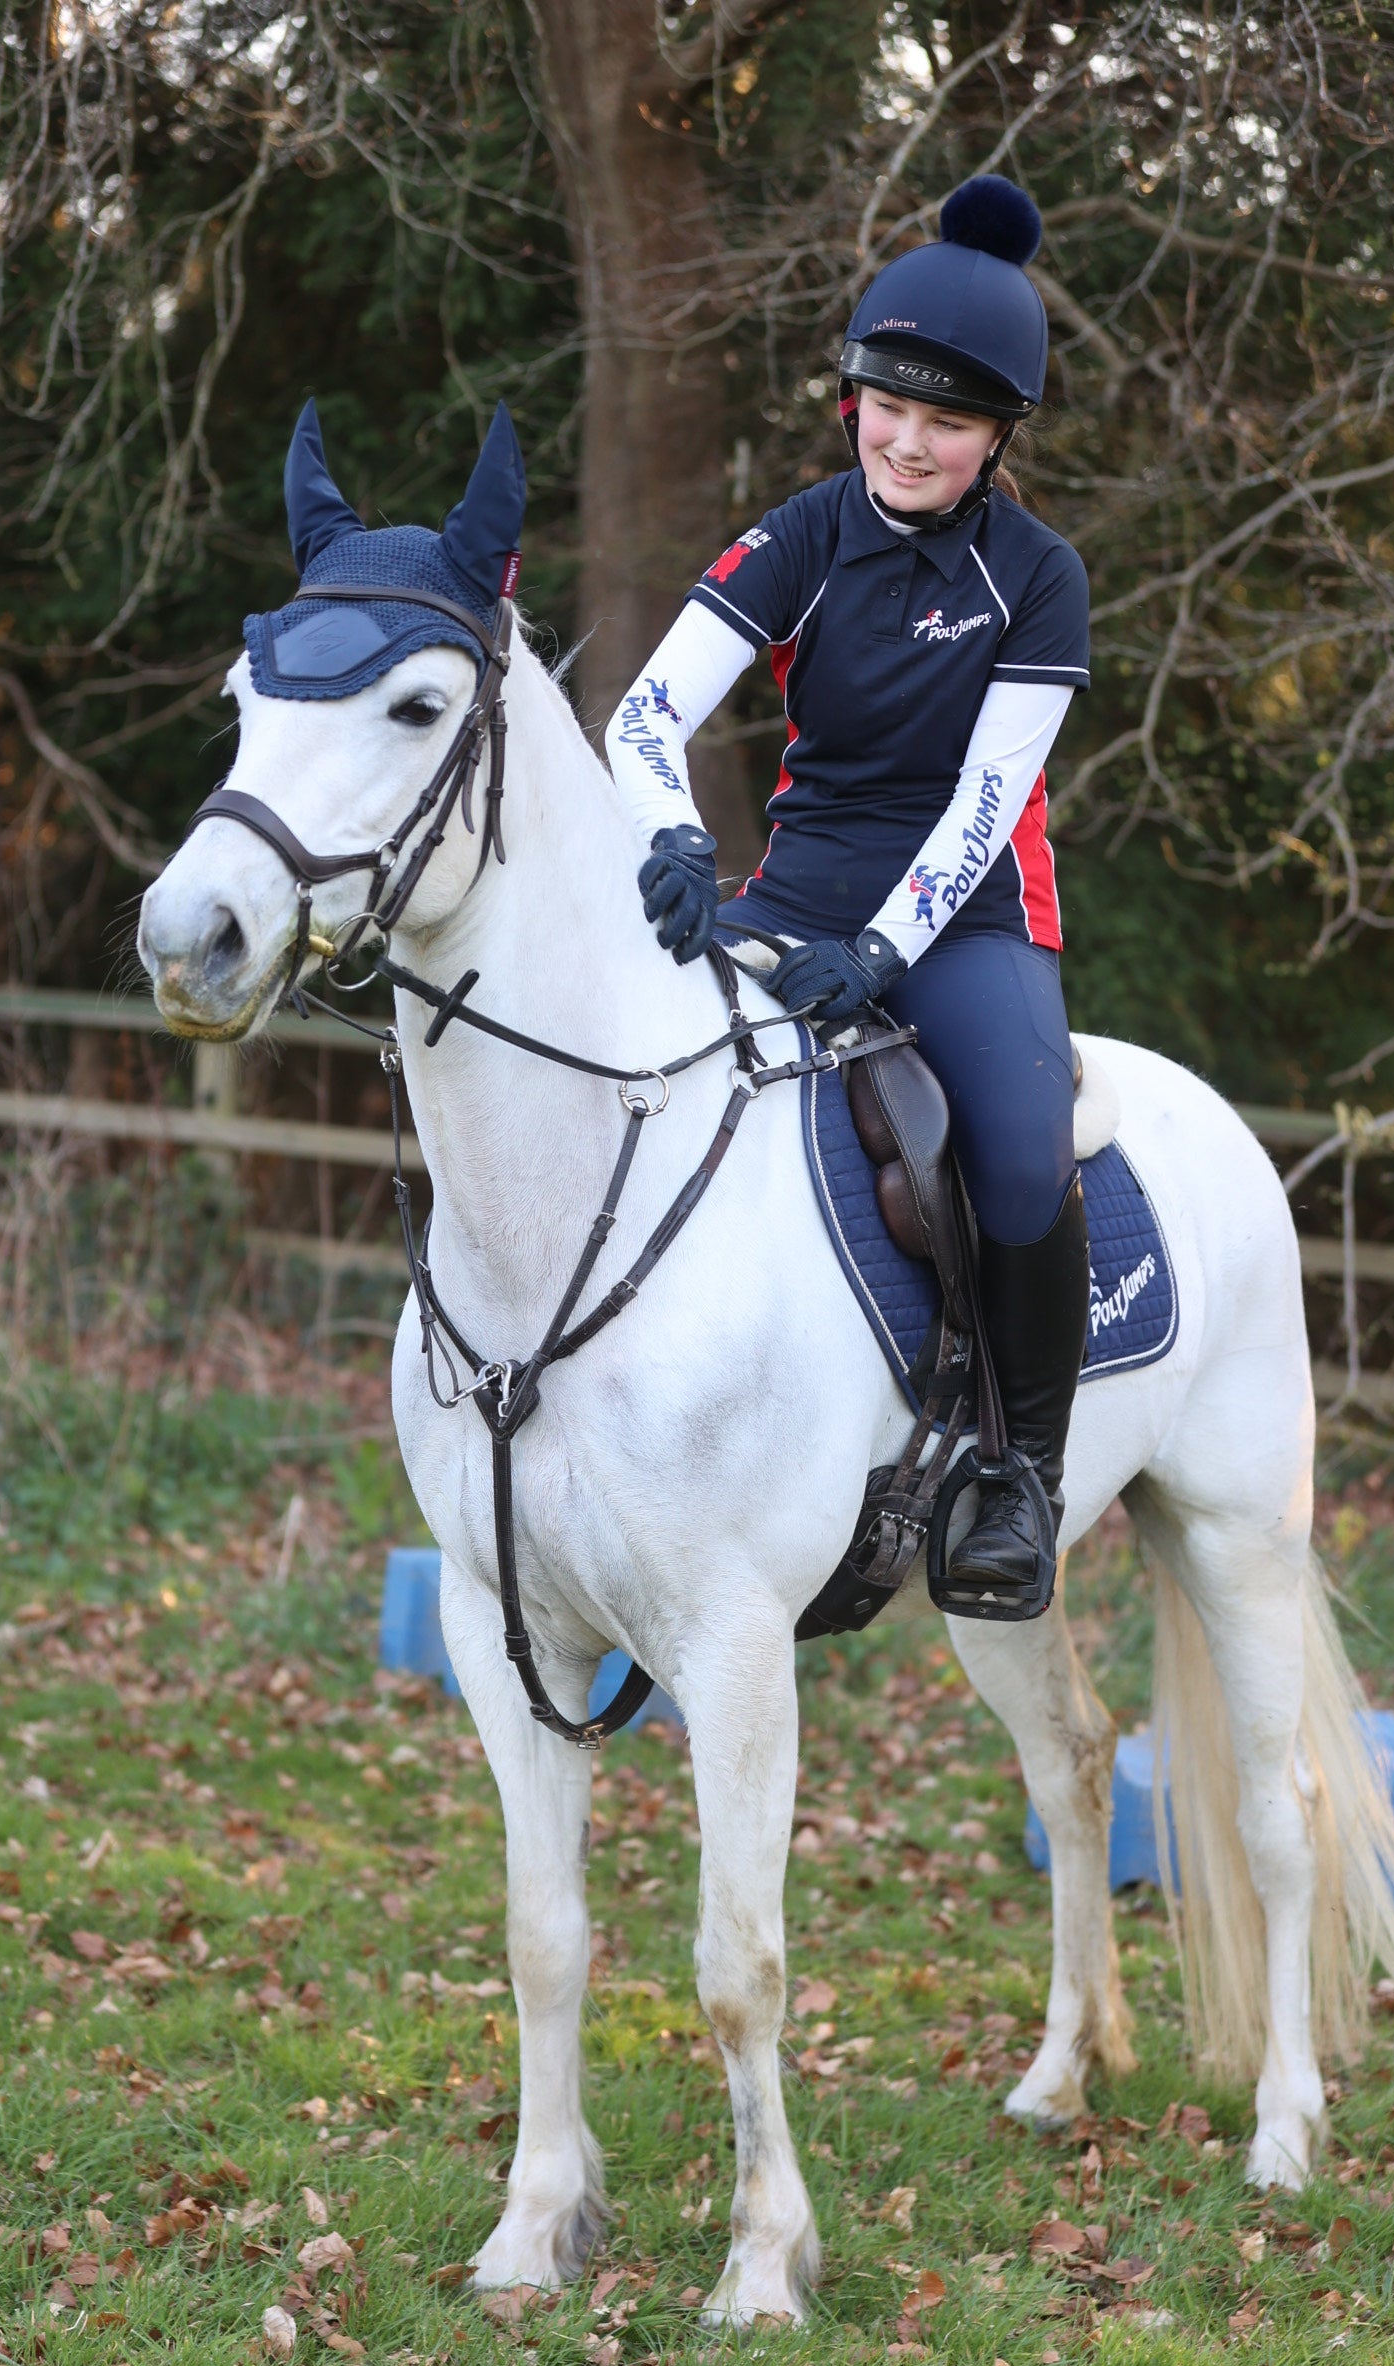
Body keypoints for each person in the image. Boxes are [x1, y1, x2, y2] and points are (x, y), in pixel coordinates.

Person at [607, 175, 1091, 1606]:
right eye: (891, 406)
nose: (912, 441)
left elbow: (989, 799)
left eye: (948, 422)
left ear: (998, 439)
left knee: (1016, 1152)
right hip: (800, 880)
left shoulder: (1037, 576)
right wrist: (675, 844)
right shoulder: (801, 536)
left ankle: (1017, 1479)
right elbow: (642, 720)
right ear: (853, 399)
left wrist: (882, 953)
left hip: (970, 909)